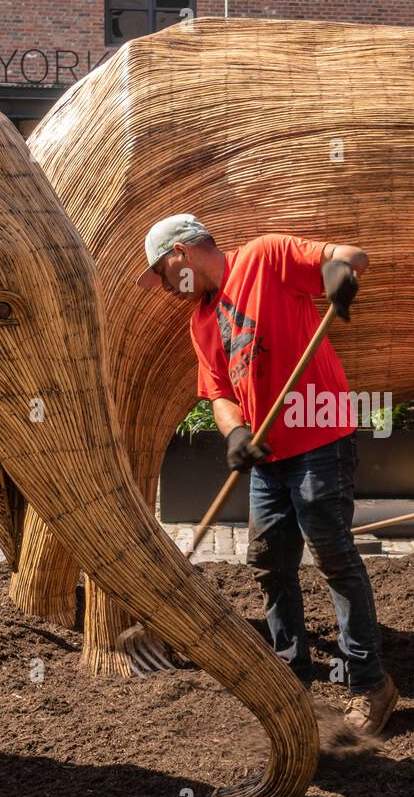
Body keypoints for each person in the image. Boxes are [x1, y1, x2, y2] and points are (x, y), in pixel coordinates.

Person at [136, 214, 398, 735]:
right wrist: (235, 434)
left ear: (180, 255)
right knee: (268, 561)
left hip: (321, 437)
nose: (165, 290)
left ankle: (371, 686)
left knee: (332, 554)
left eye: (162, 276)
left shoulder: (264, 256)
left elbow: (350, 255)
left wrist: (341, 276)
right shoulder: (201, 322)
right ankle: (289, 678)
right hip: (269, 455)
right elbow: (219, 394)